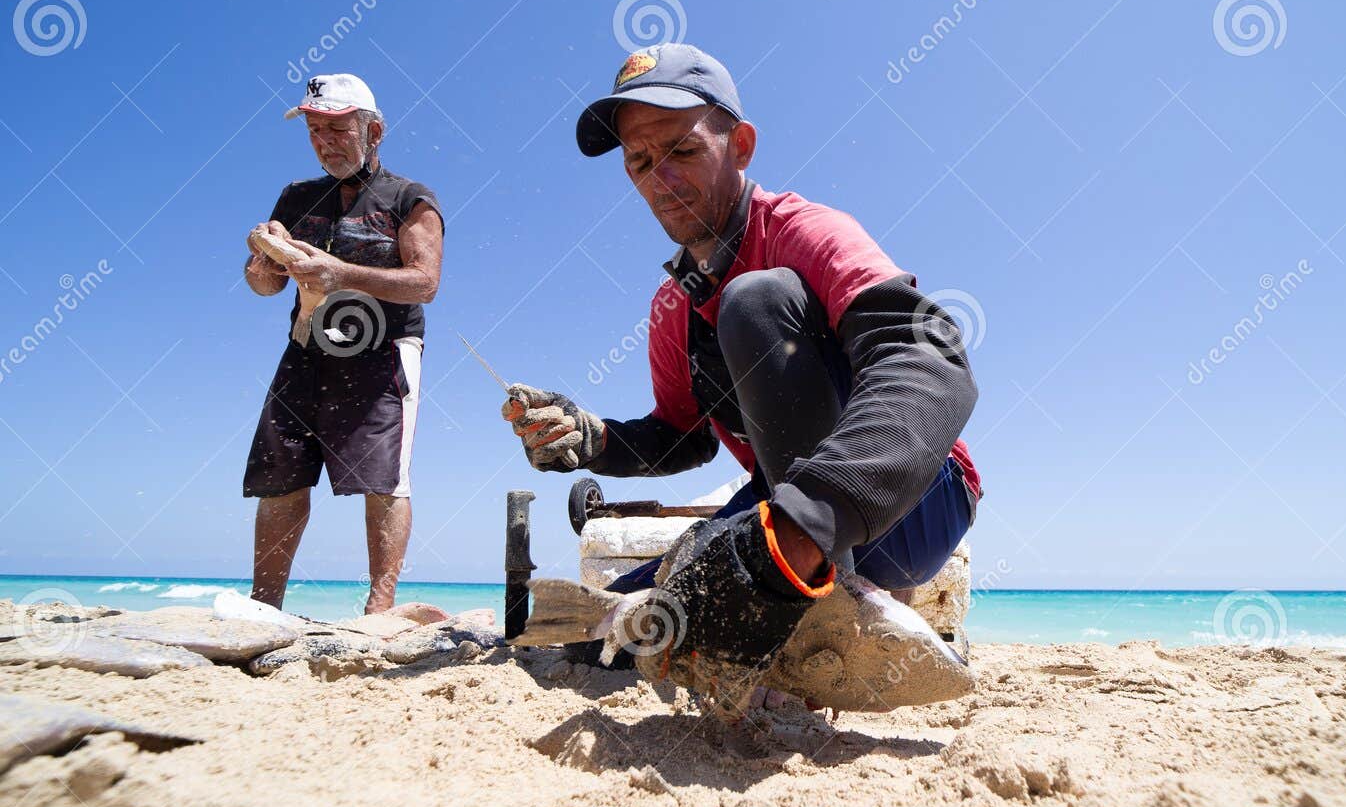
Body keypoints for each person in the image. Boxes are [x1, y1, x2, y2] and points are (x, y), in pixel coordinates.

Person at [503, 43, 981, 692]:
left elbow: (930, 355)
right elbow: (683, 436)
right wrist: (593, 439)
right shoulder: (673, 303)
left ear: (742, 144)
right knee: (608, 632)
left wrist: (804, 525)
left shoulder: (800, 230)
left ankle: (829, 601)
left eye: (682, 150)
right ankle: (800, 589)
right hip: (788, 500)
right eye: (640, 161)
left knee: (755, 301)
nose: (660, 180)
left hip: (917, 500)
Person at [241, 73, 444, 613]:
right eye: (314, 131)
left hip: (385, 351)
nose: (324, 142)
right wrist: (262, 262)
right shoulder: (297, 196)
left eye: (336, 128)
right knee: (280, 475)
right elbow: (265, 286)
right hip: (306, 348)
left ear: (373, 129)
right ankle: (265, 610)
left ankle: (379, 610)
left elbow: (425, 281)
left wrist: (339, 274)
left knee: (384, 481)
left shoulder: (410, 197)